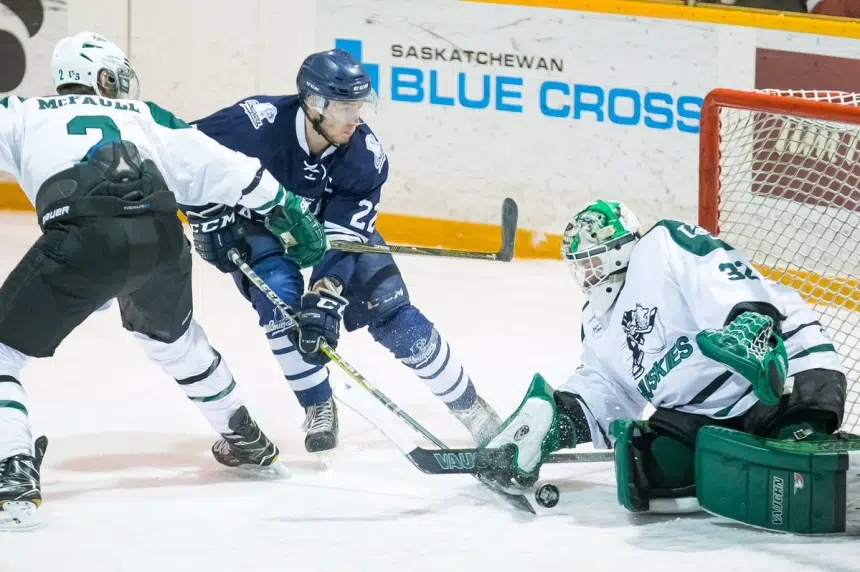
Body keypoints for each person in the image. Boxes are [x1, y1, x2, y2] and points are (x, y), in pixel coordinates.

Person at [0, 32, 327, 530]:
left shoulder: (20, 111)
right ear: (100, 76)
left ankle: (11, 465)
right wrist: (286, 206)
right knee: (175, 342)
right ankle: (244, 436)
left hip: (83, 239)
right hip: (162, 238)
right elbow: (222, 166)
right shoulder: (145, 114)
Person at [183, 49, 501, 455]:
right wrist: (204, 214)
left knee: (391, 309)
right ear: (313, 103)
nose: (355, 119)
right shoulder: (254, 123)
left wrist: (327, 292)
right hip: (260, 224)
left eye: (359, 106)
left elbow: (342, 238)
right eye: (344, 108)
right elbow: (179, 149)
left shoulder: (365, 156)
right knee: (279, 302)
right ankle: (319, 404)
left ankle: (473, 410)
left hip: (323, 228)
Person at [483, 200, 855, 534]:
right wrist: (557, 423)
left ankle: (815, 453)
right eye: (579, 266)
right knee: (643, 472)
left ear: (618, 250)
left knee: (802, 463)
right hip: (703, 411)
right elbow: (607, 387)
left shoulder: (660, 248)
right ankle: (737, 459)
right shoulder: (596, 321)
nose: (586, 274)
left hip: (779, 368)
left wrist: (749, 325)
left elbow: (720, 272)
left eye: (592, 261)